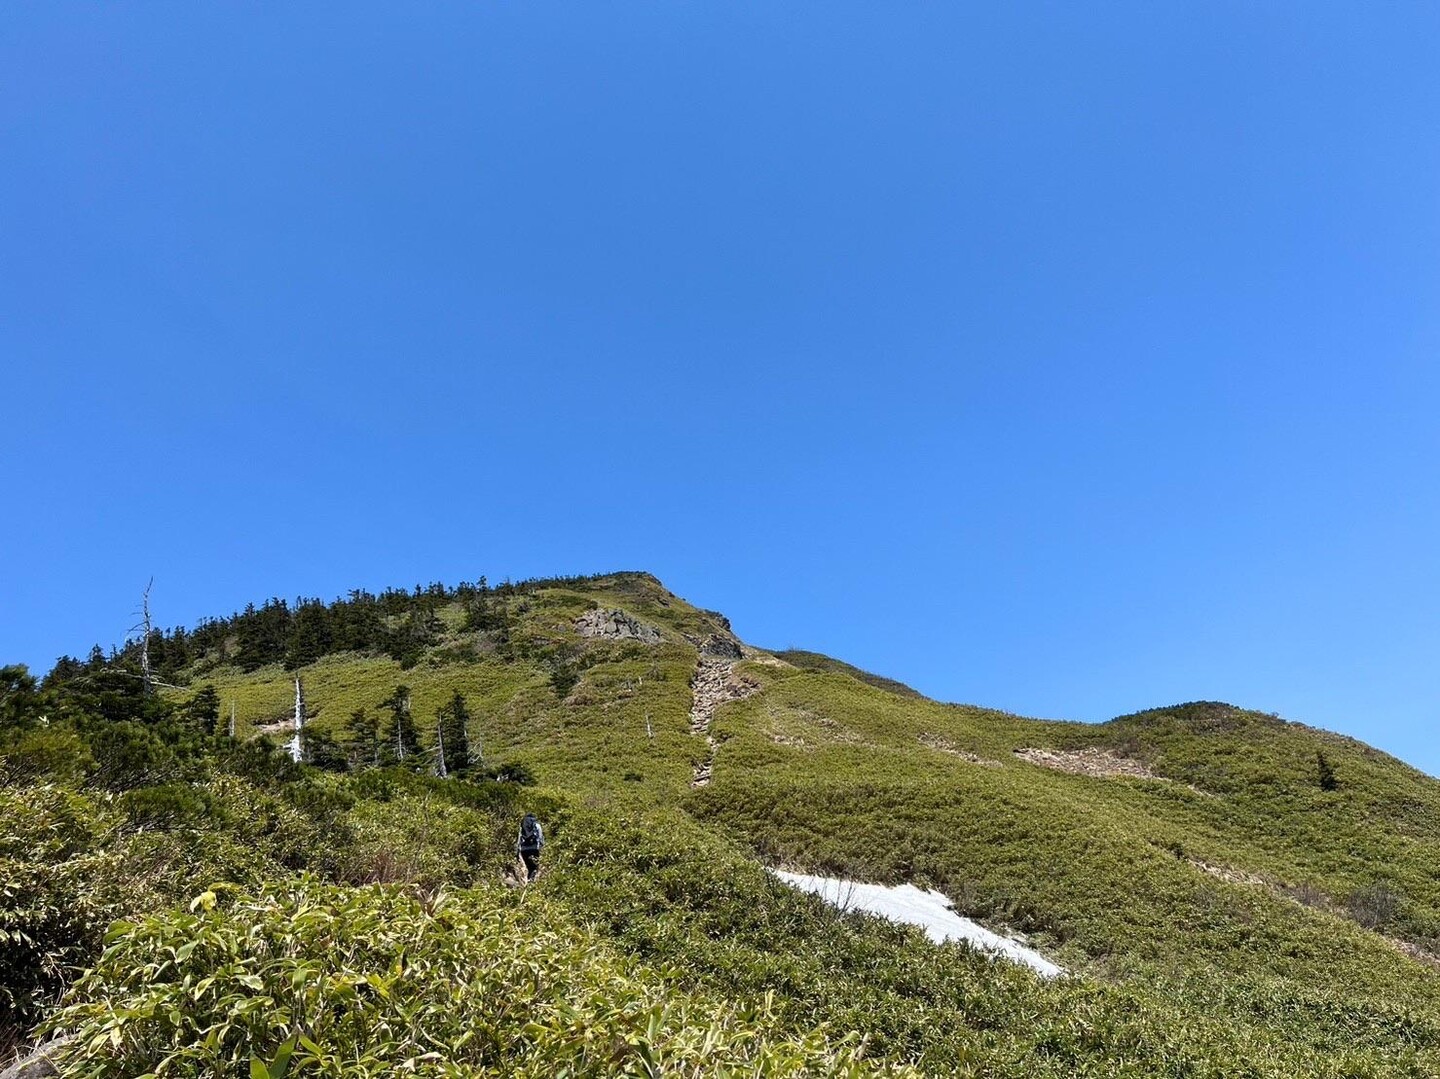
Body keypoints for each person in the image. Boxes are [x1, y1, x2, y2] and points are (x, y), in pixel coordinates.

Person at [516, 813, 544, 881]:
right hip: (534, 848)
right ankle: (532, 882)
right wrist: (541, 847)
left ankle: (529, 881)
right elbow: (540, 837)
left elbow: (519, 839)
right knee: (534, 867)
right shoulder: (537, 825)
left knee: (529, 867)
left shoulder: (522, 826)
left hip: (524, 849)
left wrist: (517, 851)